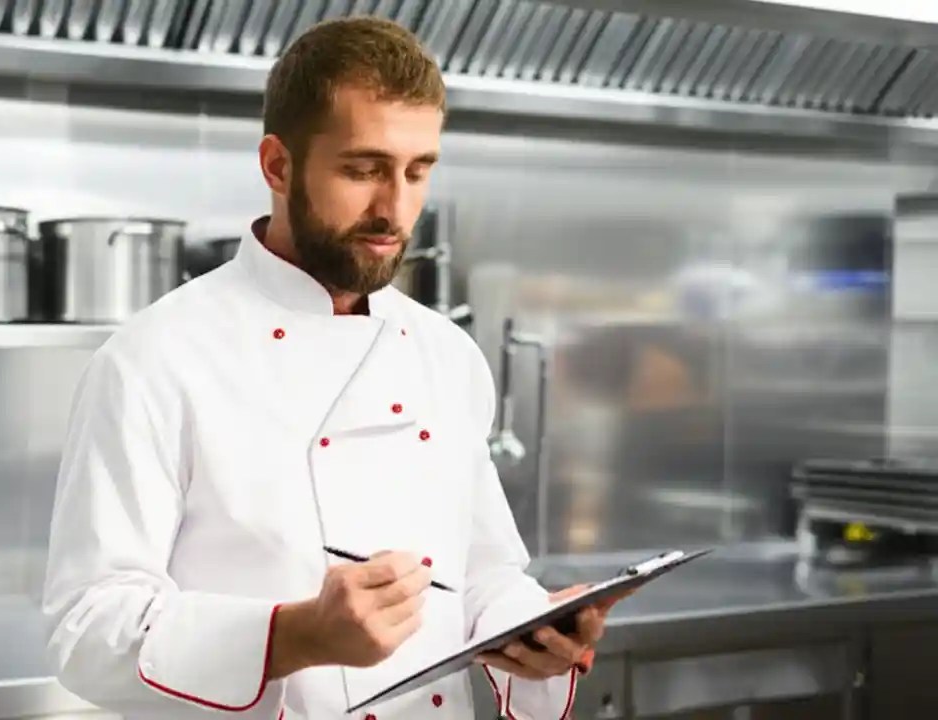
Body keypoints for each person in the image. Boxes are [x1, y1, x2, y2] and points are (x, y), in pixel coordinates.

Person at [42, 16, 621, 720]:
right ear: (278, 166)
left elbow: (483, 575)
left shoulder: (447, 354)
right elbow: (89, 629)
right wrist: (295, 635)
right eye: (363, 169)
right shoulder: (156, 359)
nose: (394, 208)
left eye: (417, 172)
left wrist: (534, 628)